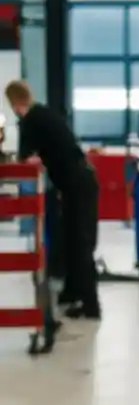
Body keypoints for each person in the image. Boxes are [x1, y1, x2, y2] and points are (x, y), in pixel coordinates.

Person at [5, 80, 101, 319]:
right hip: (79, 182)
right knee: (70, 240)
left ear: (13, 102)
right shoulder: (43, 113)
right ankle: (71, 292)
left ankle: (91, 305)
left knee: (79, 243)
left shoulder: (31, 121)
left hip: (76, 185)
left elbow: (23, 158)